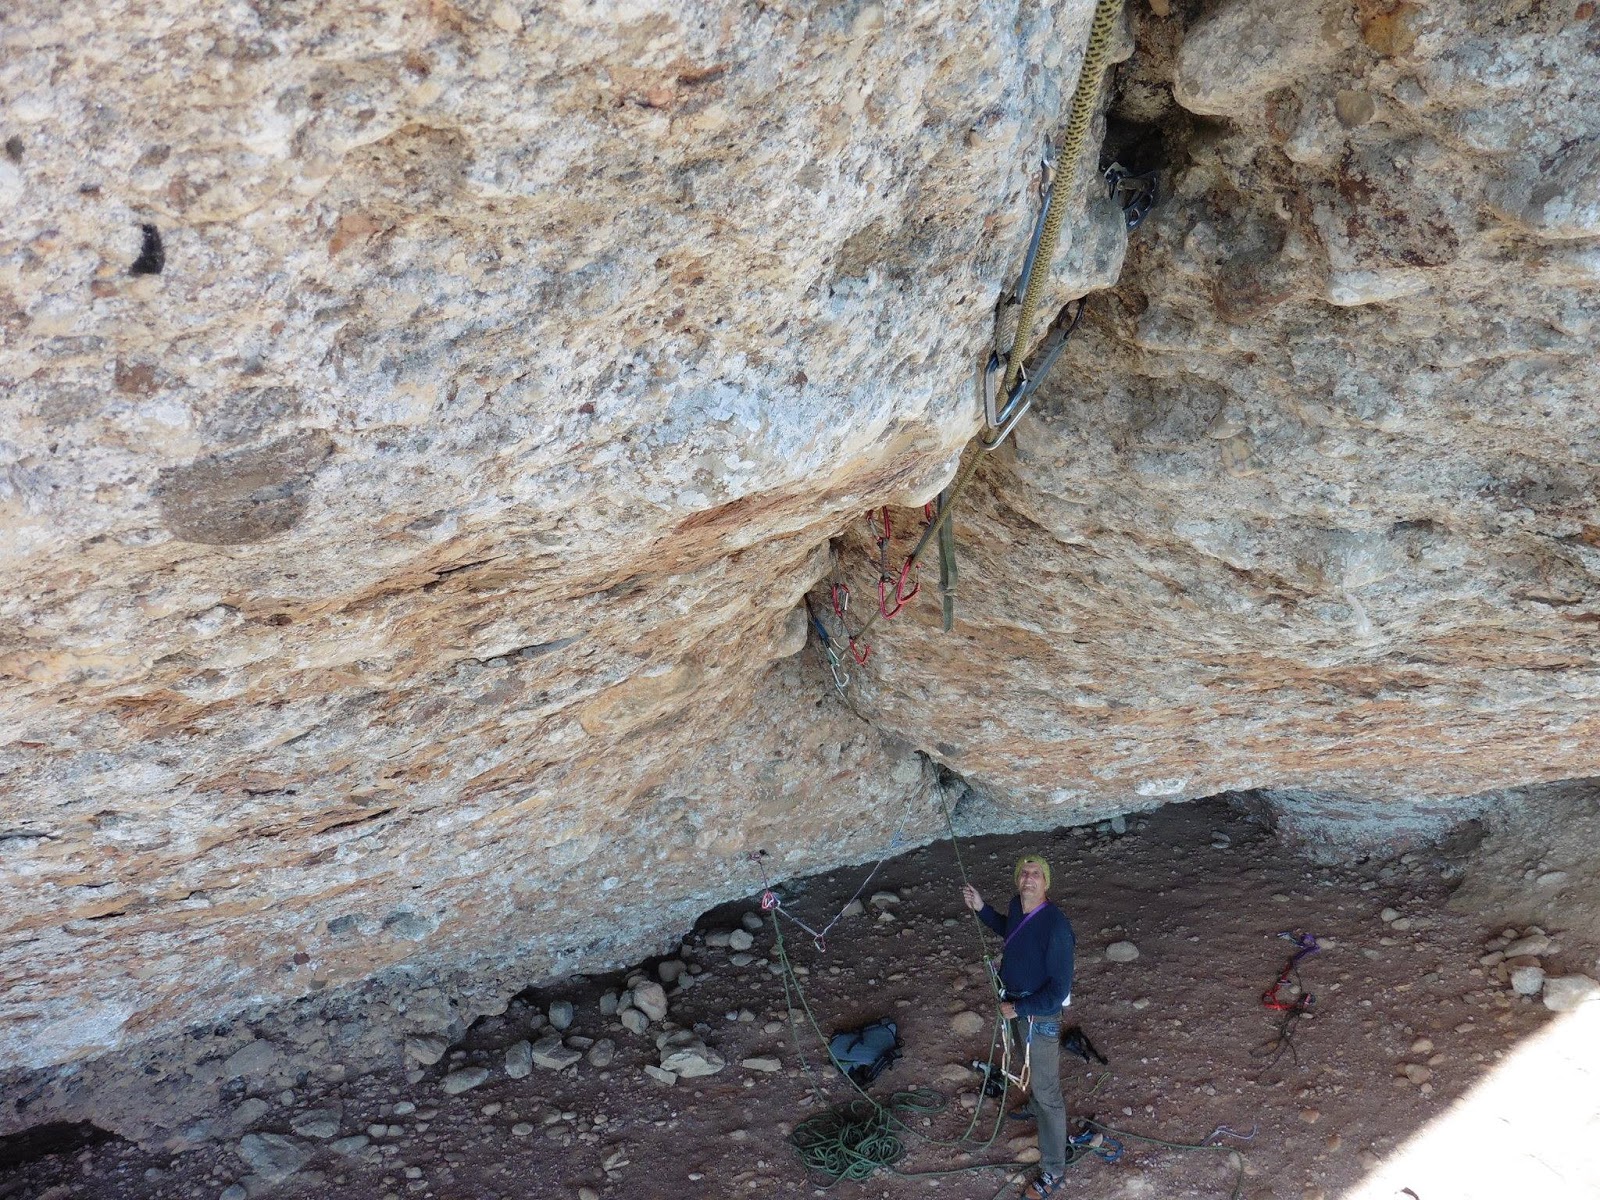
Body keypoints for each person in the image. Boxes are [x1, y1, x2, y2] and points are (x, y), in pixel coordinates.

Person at [962, 854, 1076, 1200]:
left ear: (1046, 883)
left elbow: (1058, 992)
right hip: (1016, 1009)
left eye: (1036, 874)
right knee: (1035, 1078)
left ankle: (1054, 1169)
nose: (1029, 879)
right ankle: (1037, 1107)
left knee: (1049, 1093)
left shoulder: (1057, 927)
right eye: (1024, 874)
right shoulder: (1017, 906)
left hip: (1037, 1016)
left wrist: (1020, 1008)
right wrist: (981, 908)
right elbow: (1007, 929)